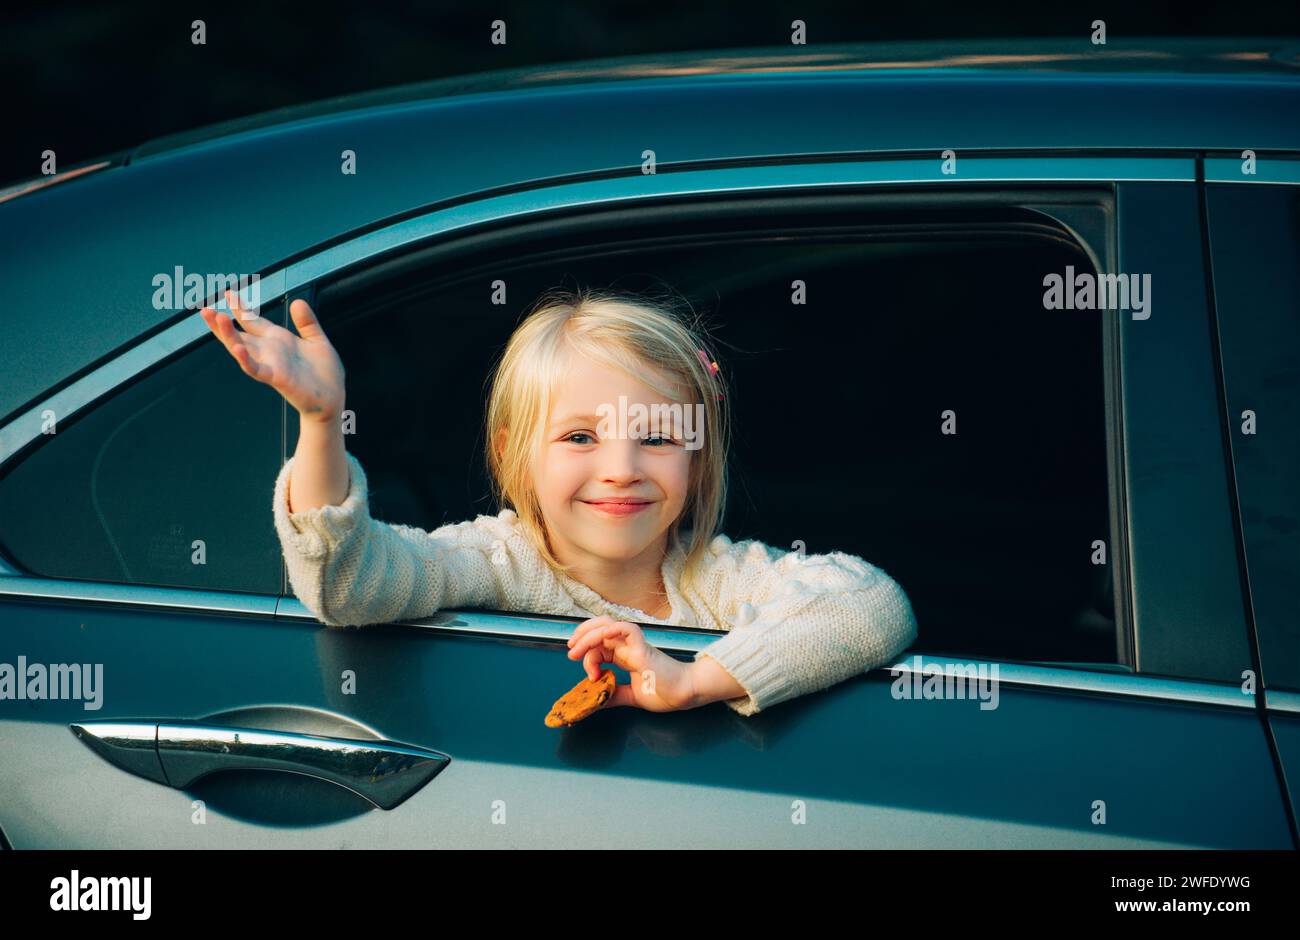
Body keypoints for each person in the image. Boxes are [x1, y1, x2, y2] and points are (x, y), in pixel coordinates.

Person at [200, 285, 917, 717]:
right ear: (514, 454)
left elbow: (871, 603)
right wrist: (322, 426)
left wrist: (696, 679)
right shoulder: (500, 559)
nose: (621, 469)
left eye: (659, 438)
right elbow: (351, 584)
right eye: (579, 436)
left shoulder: (718, 575)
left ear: (698, 465)